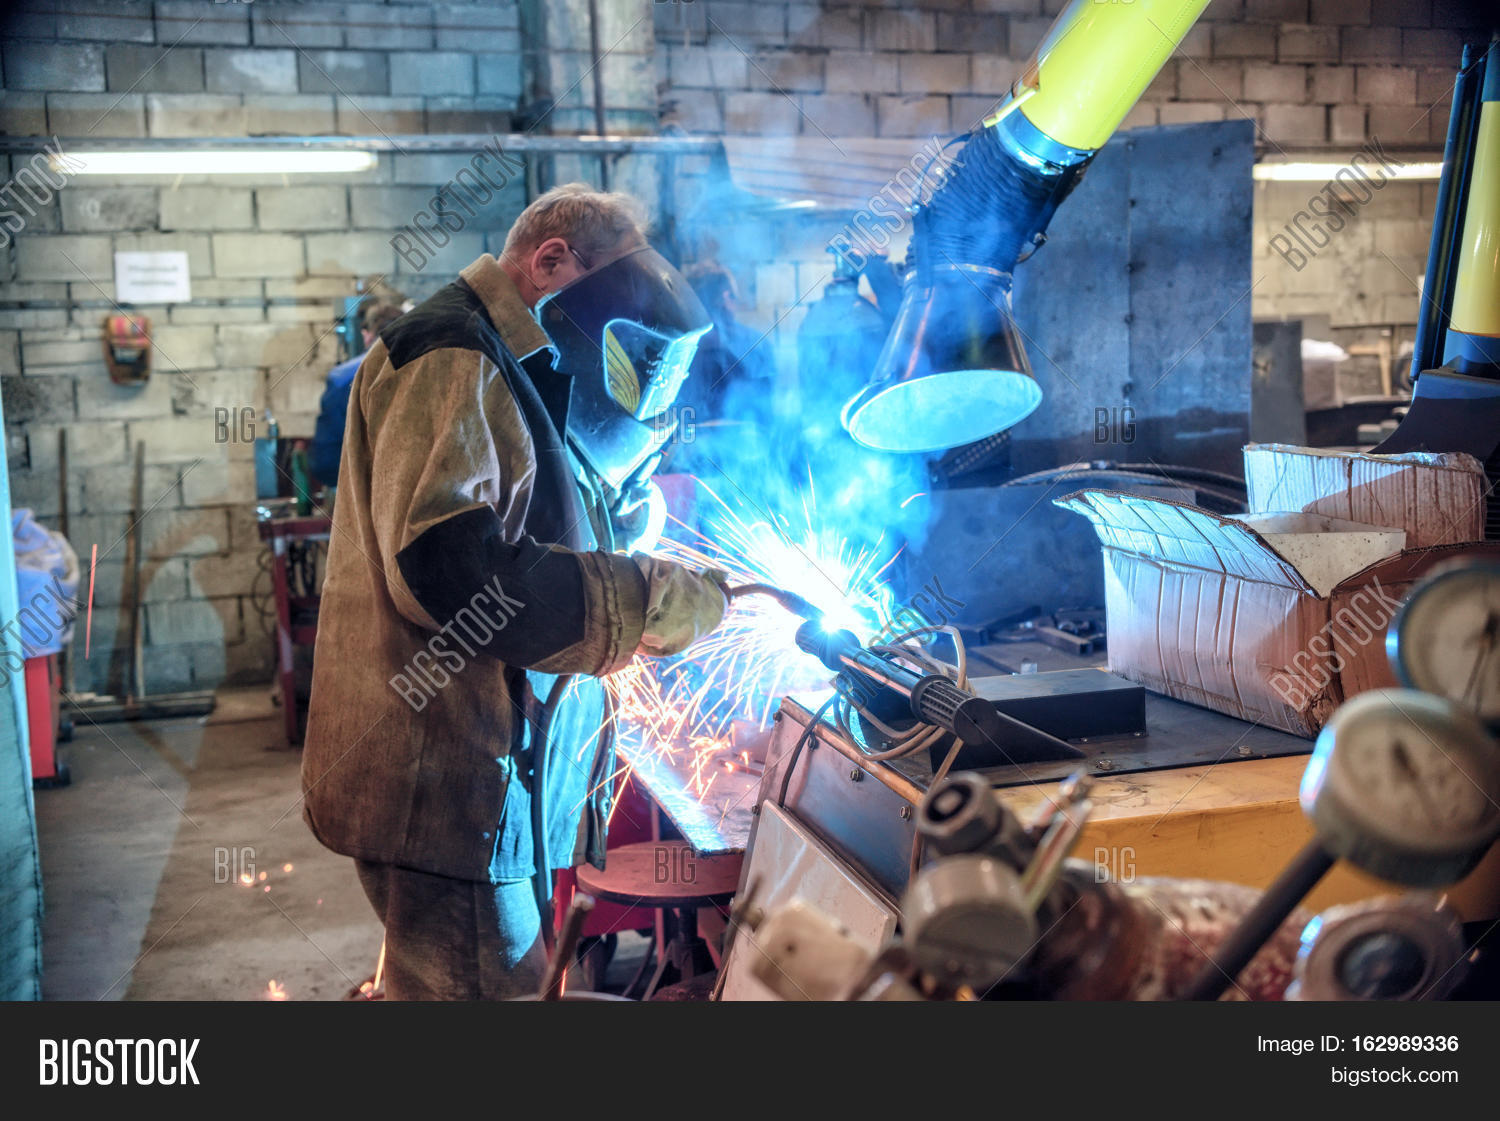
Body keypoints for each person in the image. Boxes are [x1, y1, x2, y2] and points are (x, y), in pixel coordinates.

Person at [301, 184, 729, 1000]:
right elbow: (446, 568)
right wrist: (635, 601)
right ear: (553, 260)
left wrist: (622, 510)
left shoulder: (513, 361)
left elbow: (525, 508)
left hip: (479, 786)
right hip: (447, 783)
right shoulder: (452, 352)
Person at [308, 302, 405, 488]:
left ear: (367, 335)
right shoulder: (424, 371)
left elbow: (326, 460)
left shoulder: (342, 378)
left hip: (362, 492)